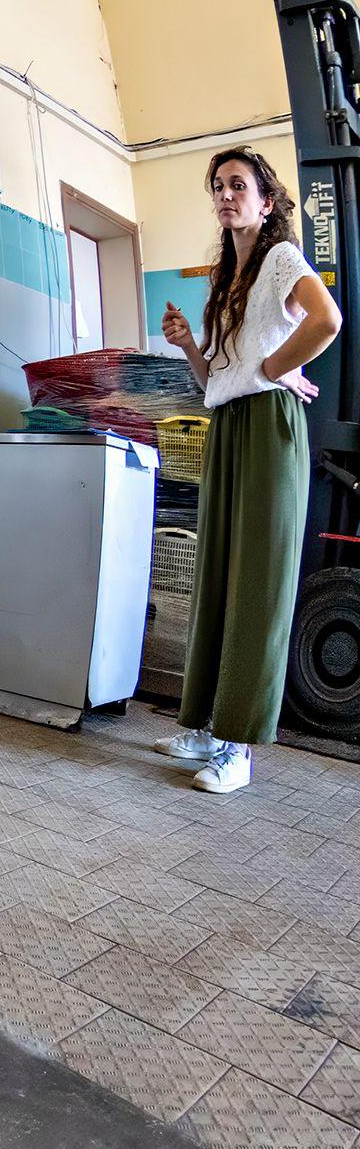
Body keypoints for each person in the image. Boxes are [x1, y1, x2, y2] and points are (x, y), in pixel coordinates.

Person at [158, 147, 340, 792]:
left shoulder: (282, 258)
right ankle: (205, 725)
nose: (225, 195)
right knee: (219, 573)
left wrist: (272, 368)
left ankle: (238, 747)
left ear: (266, 201)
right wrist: (188, 346)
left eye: (238, 185)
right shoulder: (224, 280)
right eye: (218, 187)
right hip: (231, 423)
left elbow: (326, 320)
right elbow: (216, 378)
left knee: (258, 582)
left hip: (269, 425)